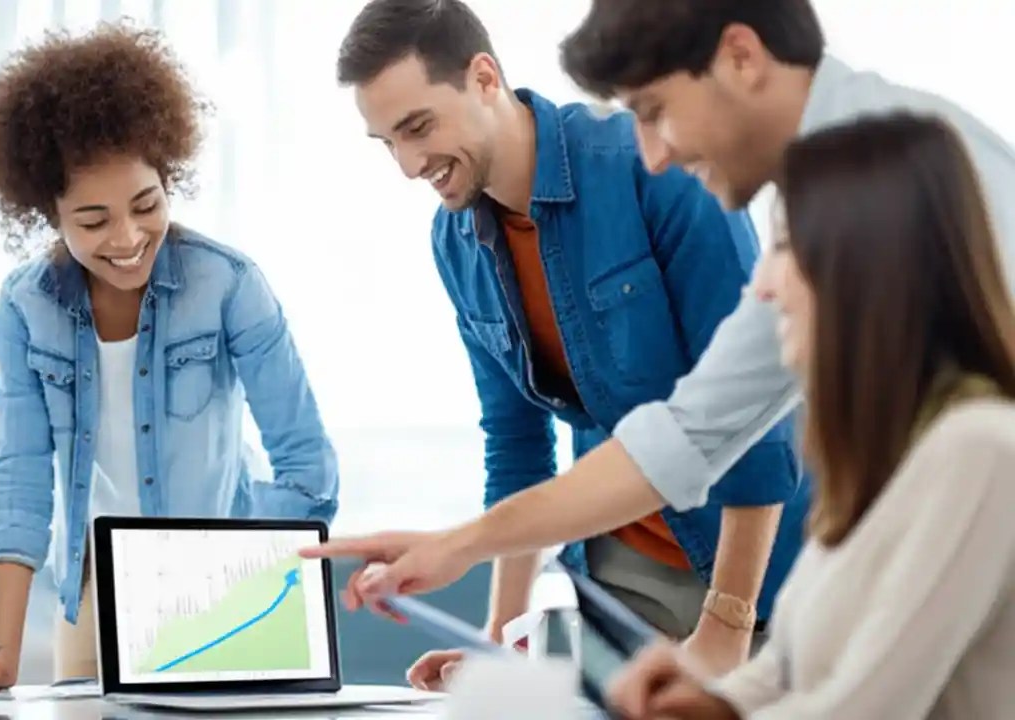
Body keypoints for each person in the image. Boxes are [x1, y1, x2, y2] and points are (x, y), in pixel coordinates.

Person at [302, 0, 1015, 638]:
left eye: (654, 109)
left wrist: (729, 630)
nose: (654, 149)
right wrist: (462, 560)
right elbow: (686, 433)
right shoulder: (822, 200)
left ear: (740, 56)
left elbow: (740, 439)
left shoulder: (910, 173)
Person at [332, 0, 807, 687]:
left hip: (759, 567)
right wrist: (501, 644)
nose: (409, 165)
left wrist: (728, 624)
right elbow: (517, 444)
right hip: (622, 574)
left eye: (418, 126)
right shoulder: (455, 241)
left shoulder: (655, 169)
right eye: (387, 143)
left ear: (485, 78)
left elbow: (758, 419)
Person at [0, 23, 338, 688]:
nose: (127, 238)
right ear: (50, 213)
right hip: (98, 591)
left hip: (223, 586)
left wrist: (235, 564)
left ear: (169, 174)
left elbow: (307, 467)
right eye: (93, 221)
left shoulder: (229, 286)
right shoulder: (24, 307)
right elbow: (18, 479)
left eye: (146, 204)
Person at [607, 113, 1015, 720]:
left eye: (786, 248)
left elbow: (864, 706)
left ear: (869, 266)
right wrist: (709, 701)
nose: (762, 287)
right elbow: (792, 667)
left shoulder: (979, 449)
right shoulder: (886, 457)